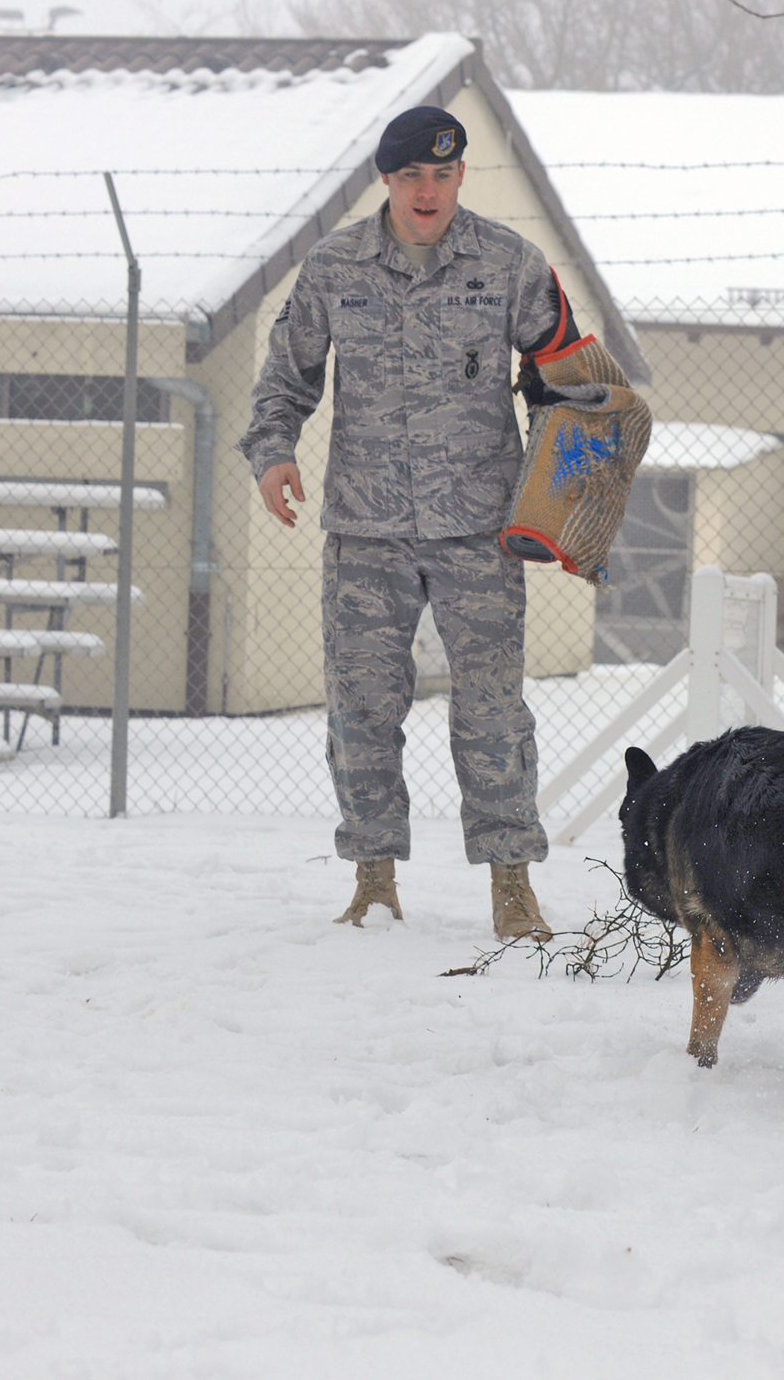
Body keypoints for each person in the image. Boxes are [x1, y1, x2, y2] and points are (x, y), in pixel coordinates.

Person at [239, 104, 602, 942]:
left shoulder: (512, 265)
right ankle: (374, 881)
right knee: (362, 707)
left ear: (462, 177)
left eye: (442, 175)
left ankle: (511, 886)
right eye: (411, 177)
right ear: (387, 181)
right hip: (366, 531)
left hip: (479, 528)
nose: (427, 191)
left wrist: (572, 494)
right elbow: (284, 380)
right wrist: (273, 453)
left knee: (492, 712)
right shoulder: (333, 268)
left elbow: (569, 382)